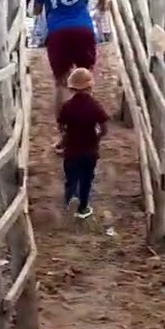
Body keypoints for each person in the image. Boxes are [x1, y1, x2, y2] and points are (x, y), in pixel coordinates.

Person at [32, 0, 109, 116]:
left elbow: (36, 10)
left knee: (60, 82)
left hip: (57, 32)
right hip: (82, 28)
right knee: (85, 76)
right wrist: (101, 8)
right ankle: (88, 118)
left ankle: (63, 126)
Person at [56, 67, 108, 220]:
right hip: (90, 150)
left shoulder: (67, 106)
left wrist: (64, 139)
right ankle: (82, 208)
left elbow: (61, 127)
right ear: (90, 87)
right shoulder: (95, 106)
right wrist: (97, 138)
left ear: (71, 88)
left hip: (71, 150)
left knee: (71, 177)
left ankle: (70, 198)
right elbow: (104, 128)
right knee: (86, 179)